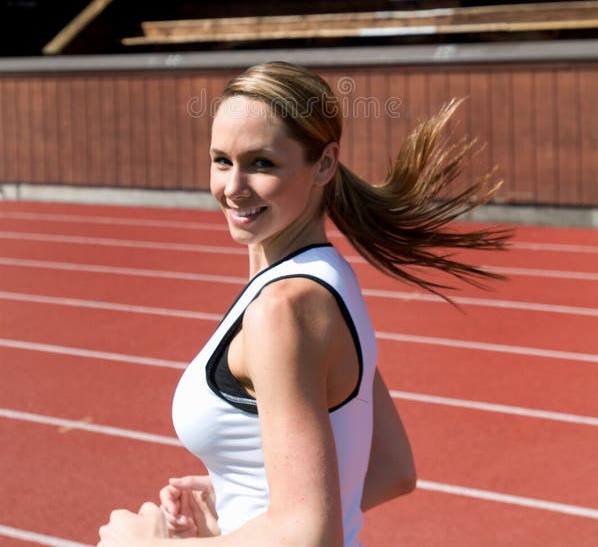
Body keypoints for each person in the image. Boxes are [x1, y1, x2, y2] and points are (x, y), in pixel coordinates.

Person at [97, 61, 509, 547]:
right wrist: (233, 496)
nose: (233, 188)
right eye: (222, 160)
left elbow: (308, 536)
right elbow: (390, 468)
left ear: (325, 164)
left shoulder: (283, 310)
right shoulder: (328, 282)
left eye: (262, 163)